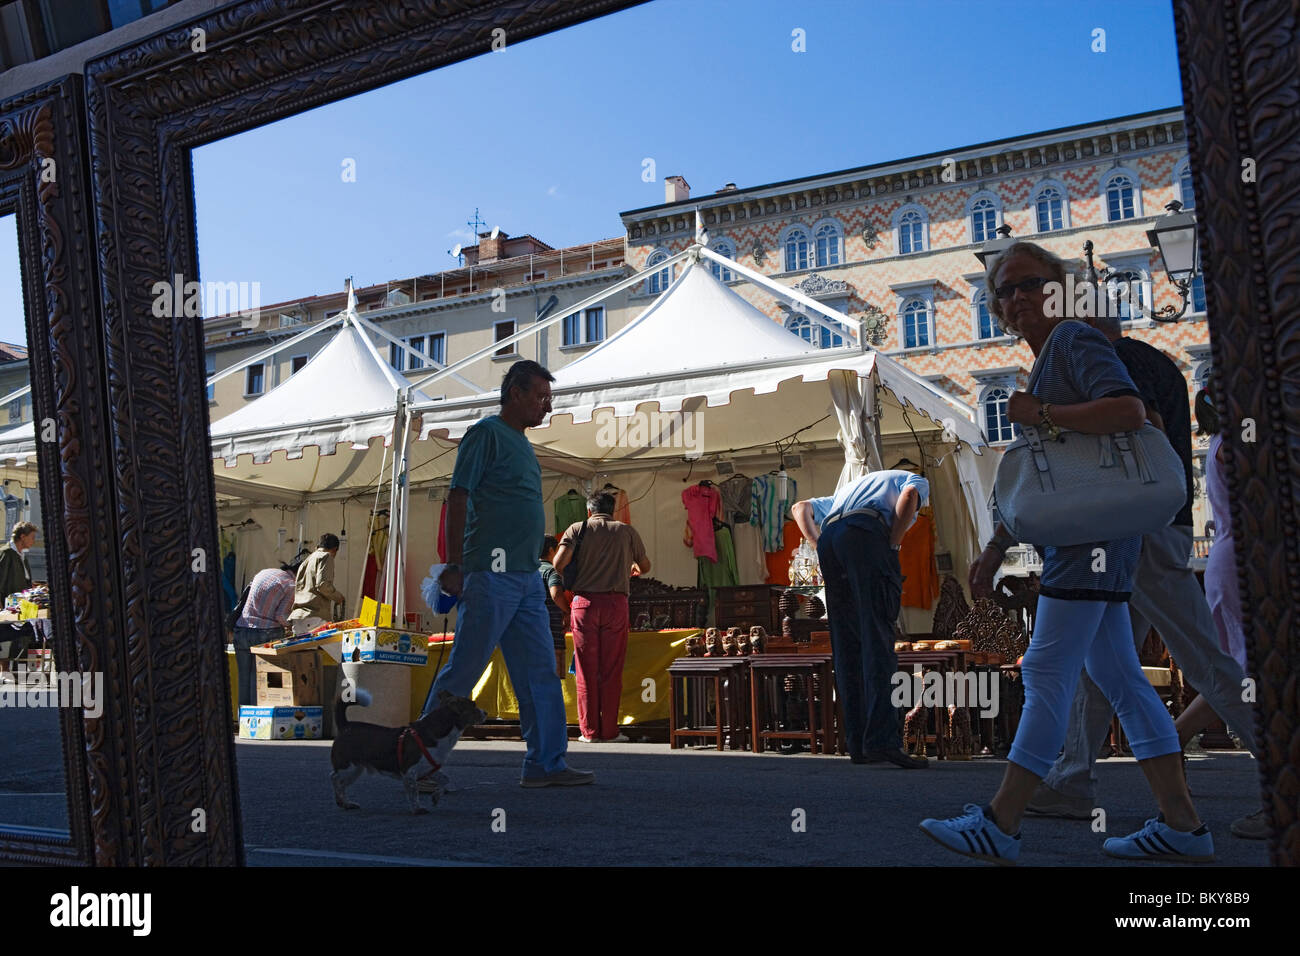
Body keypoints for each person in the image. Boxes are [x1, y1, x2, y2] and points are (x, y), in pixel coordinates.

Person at [921, 241, 1212, 863]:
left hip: (1089, 543)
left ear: (1059, 288)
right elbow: (1051, 474)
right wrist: (999, 543)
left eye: (1031, 283)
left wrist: (1042, 412)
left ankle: (1001, 821)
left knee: (1046, 673)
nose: (1019, 297)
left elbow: (1130, 411)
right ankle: (1183, 825)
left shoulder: (1074, 341)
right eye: (1006, 290)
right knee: (1120, 678)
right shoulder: (1052, 352)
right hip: (1095, 538)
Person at [1020, 312, 1262, 840]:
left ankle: (1282, 775)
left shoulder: (1115, 362)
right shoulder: (1158, 361)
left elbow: (1137, 425)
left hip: (1139, 526)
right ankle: (1072, 778)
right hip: (1147, 525)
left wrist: (1051, 416)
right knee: (1103, 660)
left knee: (1205, 659)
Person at [423, 360, 592, 787]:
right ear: (514, 393)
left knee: (540, 673)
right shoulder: (485, 434)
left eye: (548, 400)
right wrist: (456, 565)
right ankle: (421, 761)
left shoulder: (521, 443)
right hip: (490, 573)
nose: (545, 408)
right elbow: (458, 496)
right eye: (539, 397)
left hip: (525, 579)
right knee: (463, 670)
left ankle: (545, 764)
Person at [791, 470, 930, 769]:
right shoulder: (913, 478)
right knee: (878, 639)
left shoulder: (846, 492)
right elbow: (909, 497)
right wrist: (893, 543)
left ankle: (857, 744)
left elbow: (799, 508)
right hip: (866, 536)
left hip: (832, 540)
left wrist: (818, 544)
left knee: (846, 645)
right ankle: (882, 742)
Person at [553, 491, 650, 743]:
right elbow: (646, 566)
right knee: (611, 669)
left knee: (586, 669)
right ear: (613, 510)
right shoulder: (626, 531)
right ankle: (610, 730)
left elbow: (558, 564)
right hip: (616, 603)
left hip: (584, 603)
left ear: (588, 510)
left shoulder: (576, 529)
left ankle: (590, 732)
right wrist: (631, 566)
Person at [232, 567, 296, 706]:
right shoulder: (290, 585)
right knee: (260, 680)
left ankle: (245, 721)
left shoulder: (263, 572)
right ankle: (258, 720)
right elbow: (280, 616)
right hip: (265, 633)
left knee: (243, 678)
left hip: (242, 629)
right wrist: (293, 625)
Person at [0, 521, 35, 682]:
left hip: (25, 605)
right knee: (13, 635)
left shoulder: (23, 556)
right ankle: (9, 670)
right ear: (22, 537)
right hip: (10, 606)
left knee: (28, 634)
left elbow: (25, 581)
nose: (34, 541)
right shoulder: (7, 554)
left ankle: (20, 670)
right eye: (32, 537)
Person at [288, 533, 346, 624]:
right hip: (314, 617)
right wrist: (338, 597)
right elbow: (323, 585)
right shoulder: (326, 556)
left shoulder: (306, 560)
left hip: (298, 618)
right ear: (335, 549)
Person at [539, 535, 570, 678]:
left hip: (532, 633)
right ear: (552, 550)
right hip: (552, 633)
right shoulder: (551, 571)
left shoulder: (530, 571)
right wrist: (567, 611)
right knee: (553, 680)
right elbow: (556, 594)